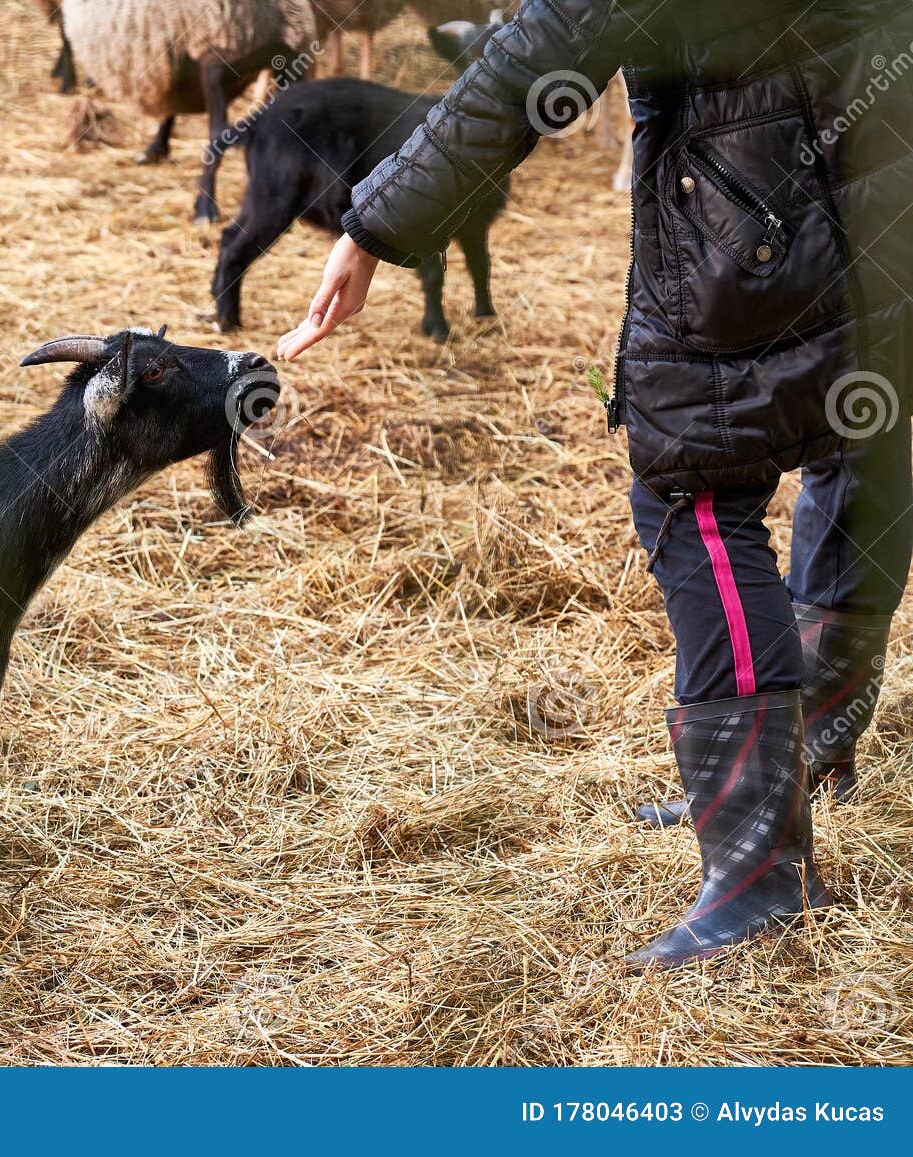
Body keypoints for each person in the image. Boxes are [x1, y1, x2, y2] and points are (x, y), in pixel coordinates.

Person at [278, 0, 913, 969]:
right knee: (859, 426)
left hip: (754, 220)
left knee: (694, 493)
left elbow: (541, 52)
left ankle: (758, 869)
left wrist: (374, 221)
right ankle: (812, 734)